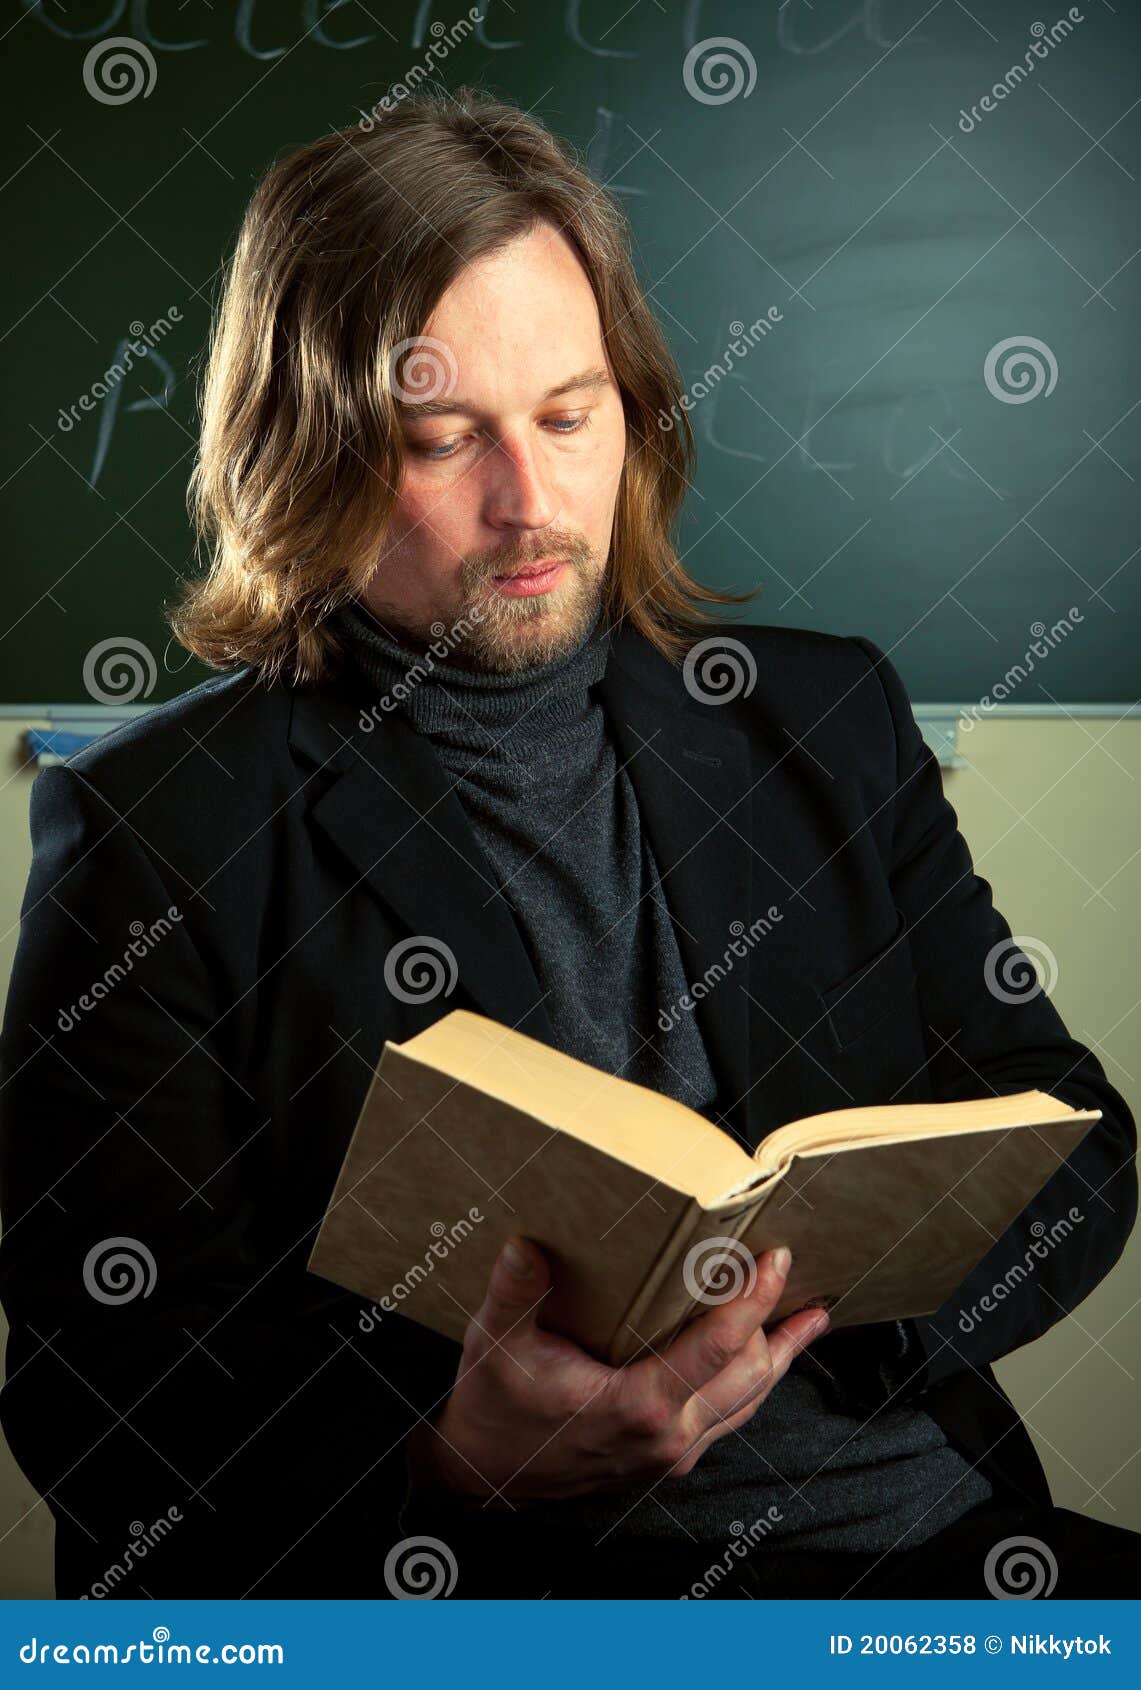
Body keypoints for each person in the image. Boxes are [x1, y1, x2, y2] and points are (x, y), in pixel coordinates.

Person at [0, 86, 1136, 1601]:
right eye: (441, 435)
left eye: (568, 414)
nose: (529, 503)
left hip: (923, 1543)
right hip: (475, 1584)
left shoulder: (824, 718)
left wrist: (842, 1302)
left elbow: (1069, 1135)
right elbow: (97, 1382)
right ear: (309, 453)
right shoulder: (158, 822)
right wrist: (449, 1453)